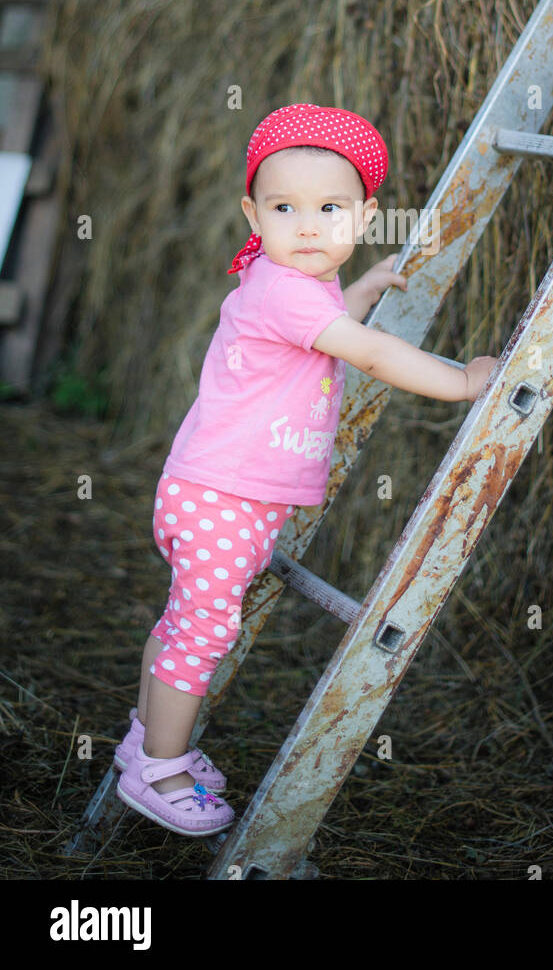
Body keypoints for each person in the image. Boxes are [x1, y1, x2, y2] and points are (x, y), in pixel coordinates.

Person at [114, 103, 497, 835]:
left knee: (183, 623)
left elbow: (313, 334)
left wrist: (356, 293)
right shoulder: (284, 286)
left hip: (216, 490)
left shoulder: (291, 282)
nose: (309, 225)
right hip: (225, 498)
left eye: (330, 208)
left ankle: (147, 738)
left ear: (363, 217)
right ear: (252, 215)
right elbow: (368, 354)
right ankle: (157, 768)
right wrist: (461, 383)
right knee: (202, 633)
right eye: (285, 208)